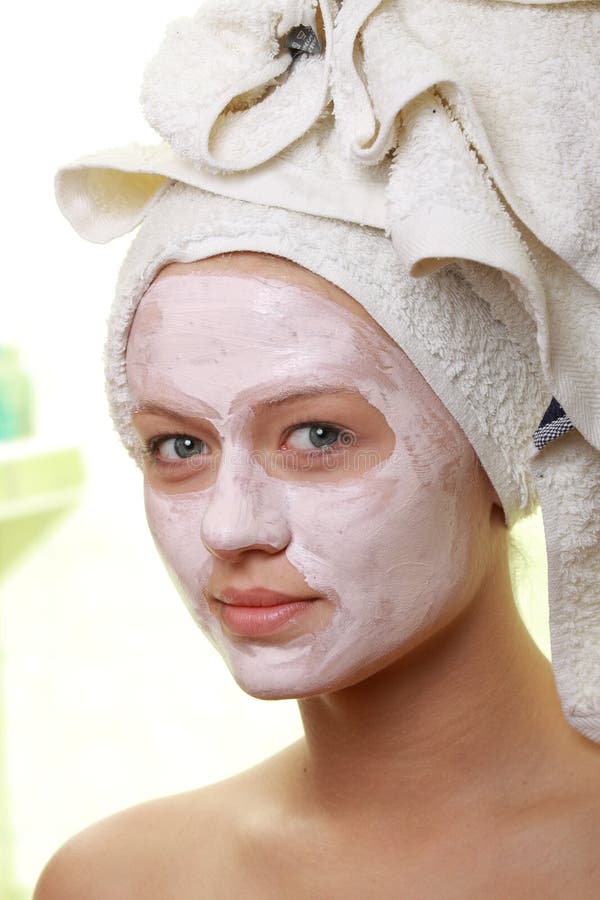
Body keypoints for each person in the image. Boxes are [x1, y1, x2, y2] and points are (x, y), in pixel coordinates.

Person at [37, 0, 600, 895]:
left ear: (516, 436)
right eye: (177, 444)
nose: (230, 526)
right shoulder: (117, 880)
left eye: (317, 435)